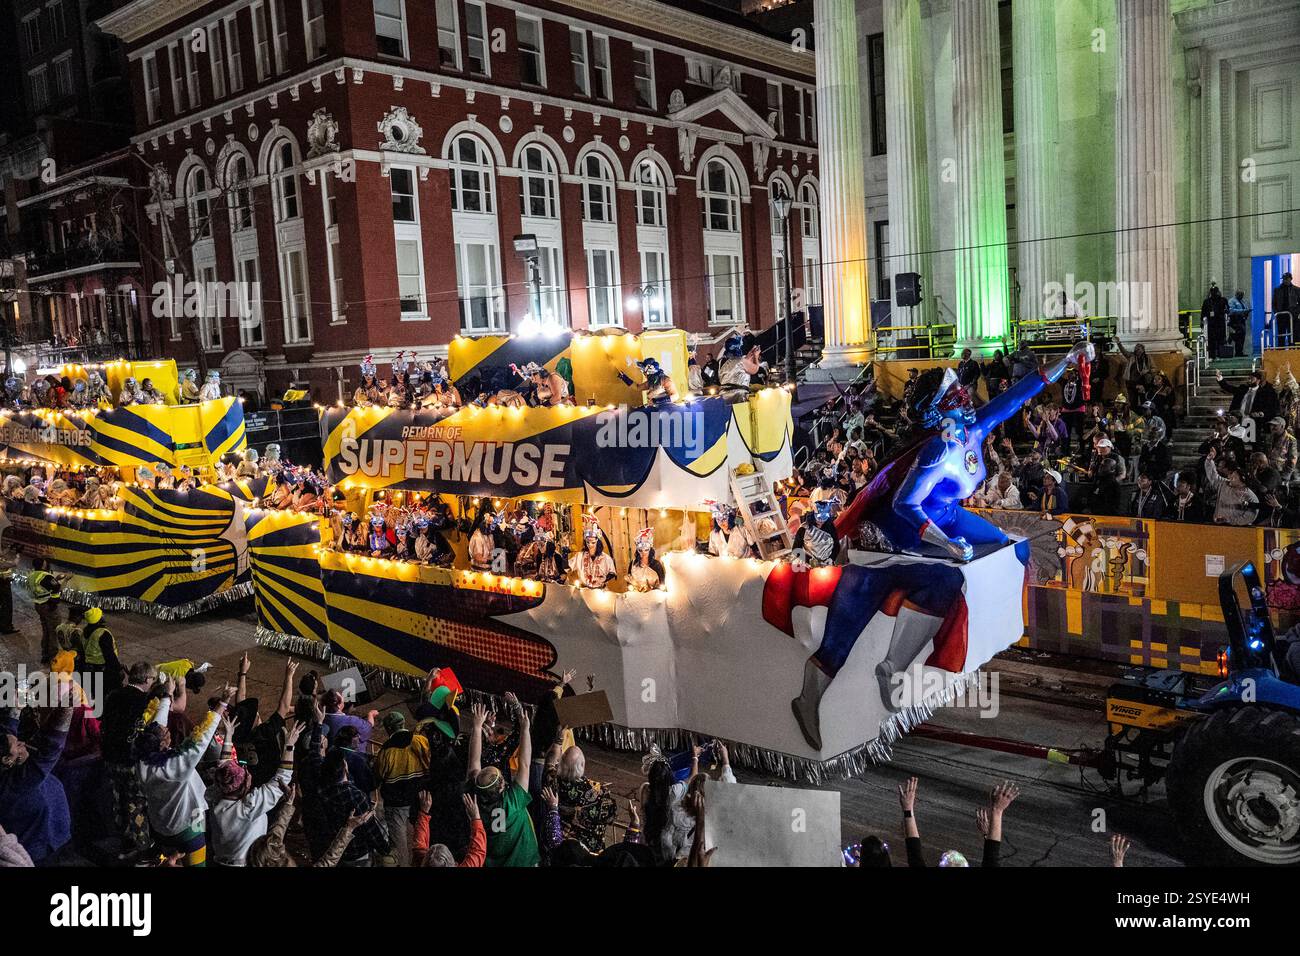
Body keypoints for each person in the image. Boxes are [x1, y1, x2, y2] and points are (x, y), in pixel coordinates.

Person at [135, 682, 237, 866]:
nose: (168, 732)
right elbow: (201, 739)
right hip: (191, 827)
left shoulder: (142, 760)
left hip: (160, 827)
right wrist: (223, 703)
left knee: (168, 861)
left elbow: (157, 724)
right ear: (163, 744)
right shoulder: (177, 764)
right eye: (166, 734)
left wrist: (167, 696)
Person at [206, 717, 304, 866]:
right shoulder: (249, 806)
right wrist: (289, 745)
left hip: (218, 861)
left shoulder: (214, 795)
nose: (247, 773)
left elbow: (224, 770)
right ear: (244, 786)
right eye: (246, 776)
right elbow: (283, 776)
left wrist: (228, 737)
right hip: (247, 863)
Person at [0, 701, 74, 865]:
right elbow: (52, 746)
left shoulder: (9, 766)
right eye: (17, 746)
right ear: (8, 761)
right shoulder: (17, 781)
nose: (21, 743)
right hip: (40, 847)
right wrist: (67, 708)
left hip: (43, 838)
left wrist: (16, 705)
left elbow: (8, 732)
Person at [466, 700, 538, 867]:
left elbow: (473, 763)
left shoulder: (473, 799)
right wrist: (526, 730)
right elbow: (525, 764)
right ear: (502, 786)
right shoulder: (513, 801)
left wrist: (477, 728)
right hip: (523, 861)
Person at [315, 747, 392, 866]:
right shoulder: (355, 796)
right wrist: (384, 849)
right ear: (344, 768)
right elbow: (370, 829)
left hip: (333, 848)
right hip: (357, 851)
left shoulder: (321, 790)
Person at [414, 792, 486, 866]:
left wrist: (424, 813)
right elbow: (478, 851)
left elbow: (419, 846)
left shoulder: (419, 860)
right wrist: (475, 818)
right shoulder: (419, 858)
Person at [29, 558, 65, 664]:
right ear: (43, 565)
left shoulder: (32, 575)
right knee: (54, 631)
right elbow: (57, 589)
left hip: (39, 605)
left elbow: (45, 586)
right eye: (45, 563)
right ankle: (53, 657)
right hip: (50, 606)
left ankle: (45, 654)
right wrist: (66, 580)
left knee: (46, 630)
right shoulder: (45, 576)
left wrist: (56, 579)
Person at [80, 606, 123, 695]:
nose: (103, 616)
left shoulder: (85, 631)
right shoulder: (102, 633)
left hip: (88, 668)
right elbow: (109, 655)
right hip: (102, 670)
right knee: (103, 696)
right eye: (101, 615)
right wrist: (118, 669)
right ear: (98, 619)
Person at [573, 515, 616, 588]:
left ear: (598, 542)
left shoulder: (606, 558)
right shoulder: (579, 556)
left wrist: (603, 579)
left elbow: (612, 573)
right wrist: (565, 554)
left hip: (600, 592)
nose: (590, 545)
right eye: (587, 542)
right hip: (584, 590)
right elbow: (567, 567)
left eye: (593, 542)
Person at [1202, 284, 1228, 356]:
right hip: (1211, 323)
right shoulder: (1207, 301)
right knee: (1211, 339)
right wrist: (1202, 322)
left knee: (1220, 339)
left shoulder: (1223, 300)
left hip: (1220, 323)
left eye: (1215, 291)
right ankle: (1212, 354)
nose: (1214, 293)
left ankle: (1220, 353)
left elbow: (1227, 309)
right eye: (1212, 292)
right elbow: (1203, 312)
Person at [1274, 272, 1300, 345]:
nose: (1285, 281)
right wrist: (1276, 313)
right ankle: (1280, 351)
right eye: (1284, 279)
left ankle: (1292, 350)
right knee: (1281, 334)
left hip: (1292, 316)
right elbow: (1274, 303)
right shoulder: (1277, 290)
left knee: (1293, 335)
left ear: (1291, 279)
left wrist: (1296, 312)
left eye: (1287, 279)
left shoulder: (1296, 290)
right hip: (1281, 315)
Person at [1228, 290, 1251, 357]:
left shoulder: (1242, 301)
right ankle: (1231, 338)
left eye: (1242, 295)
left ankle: (1239, 352)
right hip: (1235, 320)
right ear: (1237, 294)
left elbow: (1245, 308)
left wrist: (1247, 311)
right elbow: (1232, 310)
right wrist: (1243, 311)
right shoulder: (1232, 301)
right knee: (1238, 336)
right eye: (1240, 295)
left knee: (1242, 337)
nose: (1242, 296)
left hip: (1242, 321)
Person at [0, 548, 16, 636]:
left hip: (3, 582)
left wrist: (9, 547)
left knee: (3, 606)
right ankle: (6, 627)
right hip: (3, 584)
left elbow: (1, 553)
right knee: (7, 606)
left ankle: (2, 625)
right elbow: (14, 564)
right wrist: (18, 554)